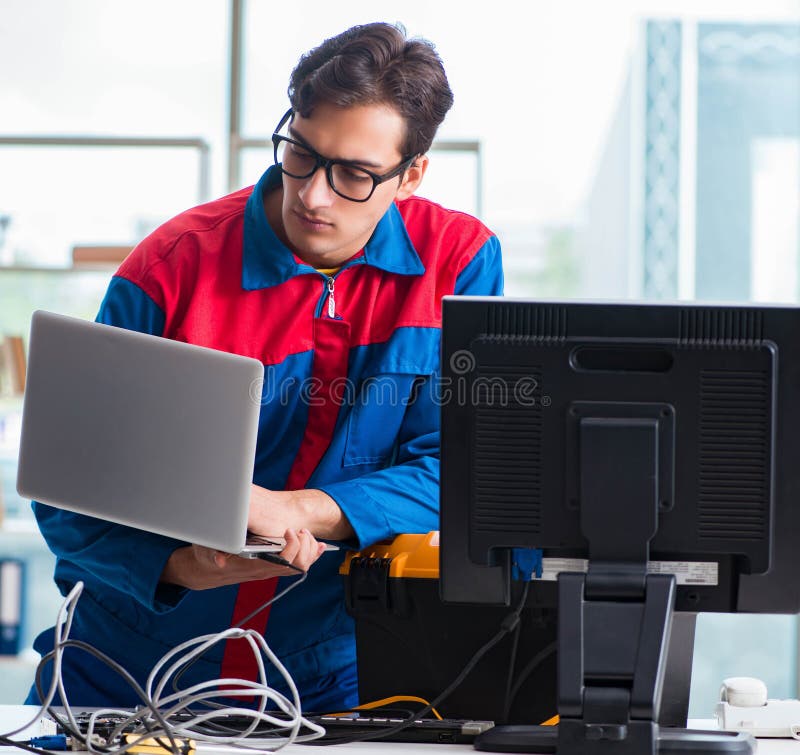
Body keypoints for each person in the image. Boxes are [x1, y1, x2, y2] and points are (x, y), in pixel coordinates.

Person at [27, 21, 503, 711]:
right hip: (121, 662)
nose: (313, 194)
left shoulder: (459, 262)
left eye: (355, 175)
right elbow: (66, 487)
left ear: (412, 175)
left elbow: (460, 466)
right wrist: (177, 566)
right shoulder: (171, 267)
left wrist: (298, 510)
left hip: (327, 674)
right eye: (302, 155)